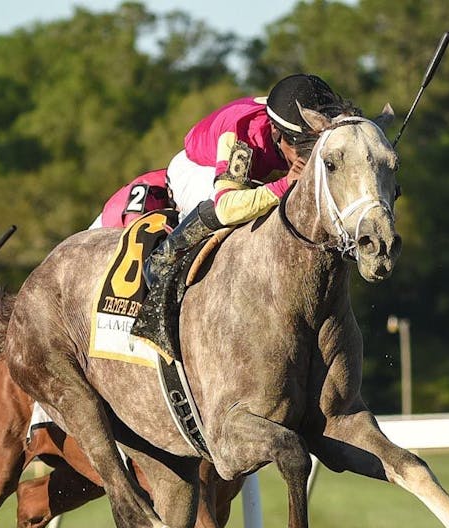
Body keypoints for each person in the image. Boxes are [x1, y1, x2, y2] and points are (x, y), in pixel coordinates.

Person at [132, 74, 354, 360]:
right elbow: (226, 206)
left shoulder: (306, 125)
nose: (308, 156)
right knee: (235, 213)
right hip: (199, 170)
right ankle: (160, 267)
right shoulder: (242, 136)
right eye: (300, 147)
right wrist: (284, 185)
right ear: (276, 133)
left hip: (254, 175)